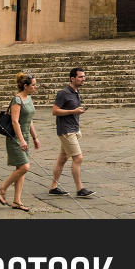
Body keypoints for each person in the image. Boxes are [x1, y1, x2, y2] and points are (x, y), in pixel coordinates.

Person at [0, 73, 39, 212]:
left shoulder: (28, 98)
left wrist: (34, 137)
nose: (35, 87)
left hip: (26, 137)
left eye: (35, 84)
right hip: (15, 138)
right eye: (33, 85)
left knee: (20, 170)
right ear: (25, 86)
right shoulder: (17, 99)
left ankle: (17, 201)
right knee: (24, 167)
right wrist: (21, 139)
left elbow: (29, 119)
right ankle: (2, 189)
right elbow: (15, 121)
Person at [49, 68, 92, 198]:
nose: (83, 79)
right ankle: (80, 189)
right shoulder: (63, 93)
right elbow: (55, 111)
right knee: (78, 158)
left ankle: (53, 187)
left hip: (74, 129)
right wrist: (74, 111)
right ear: (72, 78)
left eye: (84, 77)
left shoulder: (76, 92)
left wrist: (77, 111)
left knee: (62, 159)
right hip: (66, 131)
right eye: (80, 77)